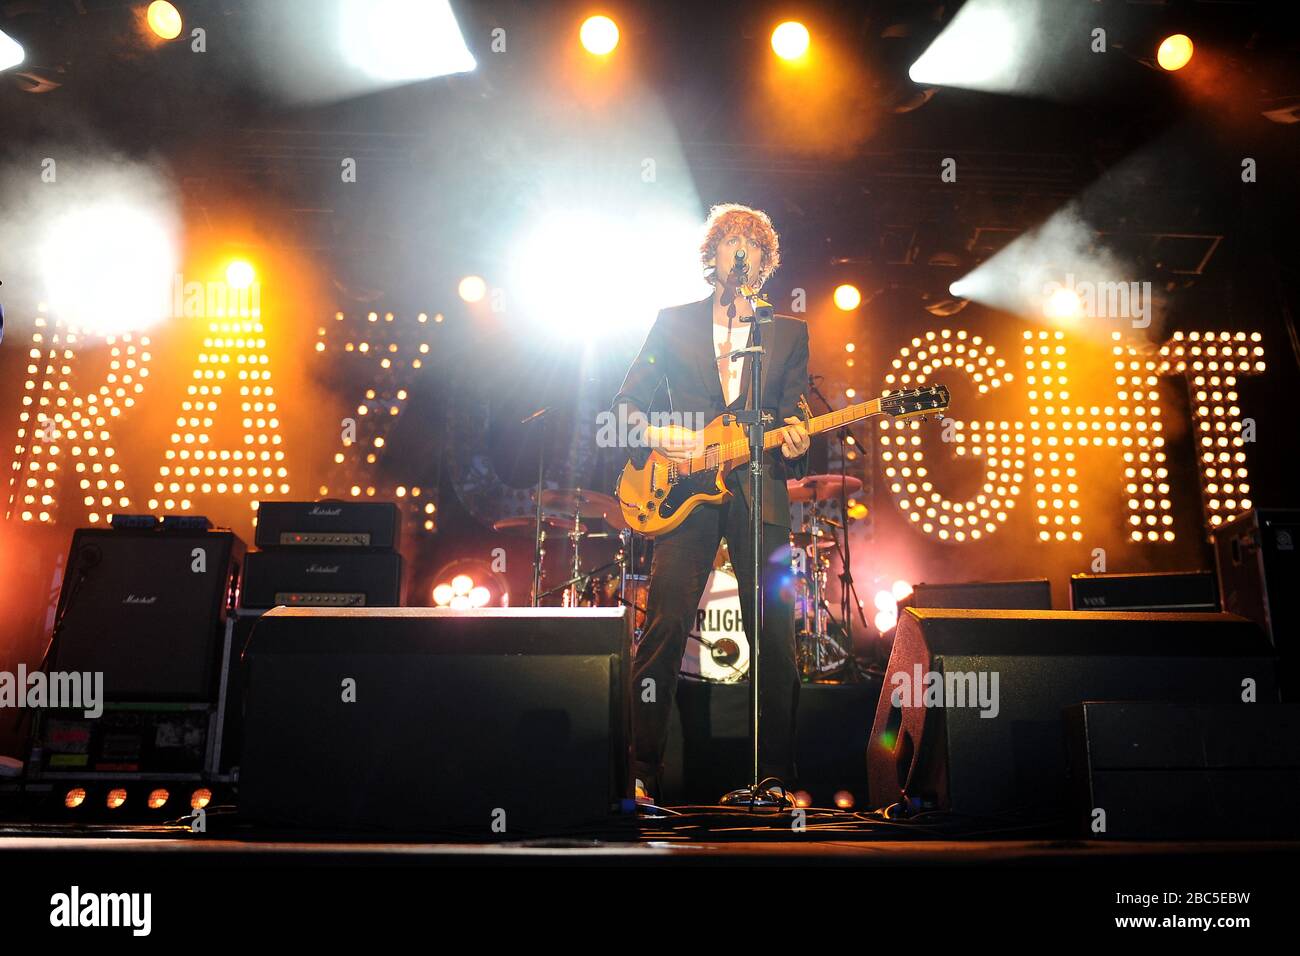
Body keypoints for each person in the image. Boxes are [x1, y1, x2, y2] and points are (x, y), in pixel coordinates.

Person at [610, 202, 811, 803]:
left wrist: (798, 437)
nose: (741, 249)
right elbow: (626, 405)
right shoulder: (673, 323)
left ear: (766, 261)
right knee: (666, 621)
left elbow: (794, 416)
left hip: (759, 489)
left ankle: (774, 779)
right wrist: (658, 437)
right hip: (684, 493)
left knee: (775, 633)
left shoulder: (790, 331)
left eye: (753, 241)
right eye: (731, 240)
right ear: (713, 255)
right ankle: (640, 773)